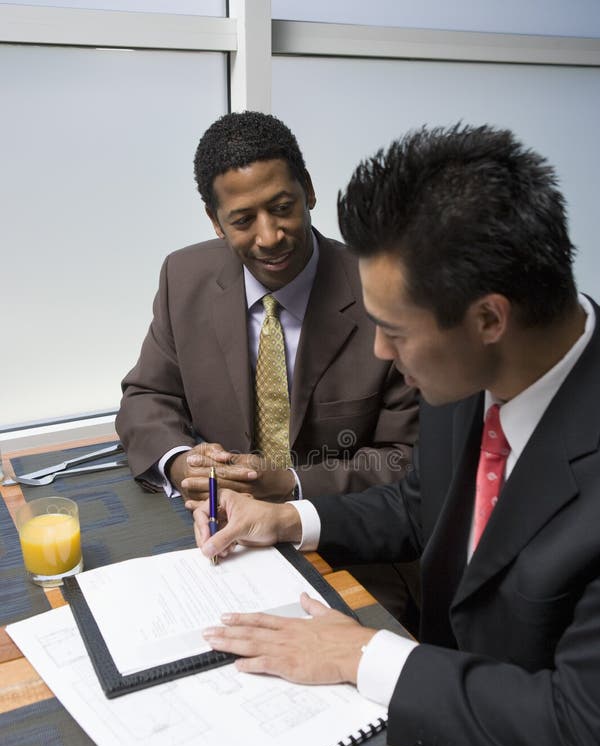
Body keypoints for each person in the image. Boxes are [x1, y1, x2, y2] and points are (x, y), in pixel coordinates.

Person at [193, 123, 600, 746]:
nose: (380, 352)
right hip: (433, 718)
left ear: (489, 319)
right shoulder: (469, 370)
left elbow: (580, 736)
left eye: (395, 331)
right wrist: (287, 518)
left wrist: (360, 655)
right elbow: (422, 504)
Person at [116, 111, 418, 505]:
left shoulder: (384, 292)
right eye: (243, 220)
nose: (269, 237)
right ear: (216, 221)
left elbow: (407, 456)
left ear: (308, 190)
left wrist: (291, 483)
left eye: (282, 208)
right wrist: (180, 463)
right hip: (217, 515)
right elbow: (146, 396)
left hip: (339, 525)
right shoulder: (184, 277)